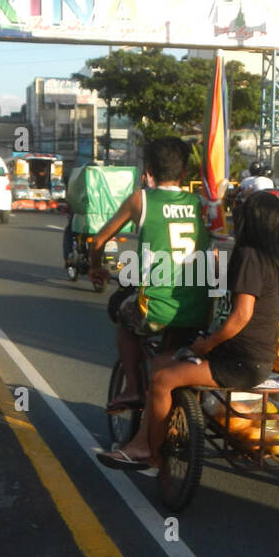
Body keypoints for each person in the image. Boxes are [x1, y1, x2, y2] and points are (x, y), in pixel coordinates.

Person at [98, 190, 279, 471]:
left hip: (239, 362)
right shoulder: (271, 261)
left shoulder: (249, 256)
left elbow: (242, 315)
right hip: (247, 357)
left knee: (161, 381)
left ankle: (148, 451)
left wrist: (208, 344)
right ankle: (149, 436)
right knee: (161, 362)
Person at [90, 136, 212, 412]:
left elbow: (99, 242)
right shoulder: (200, 204)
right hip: (200, 309)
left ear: (149, 171)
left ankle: (133, 388)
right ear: (184, 173)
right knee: (174, 339)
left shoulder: (140, 200)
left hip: (156, 309)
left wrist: (96, 267)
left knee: (124, 318)